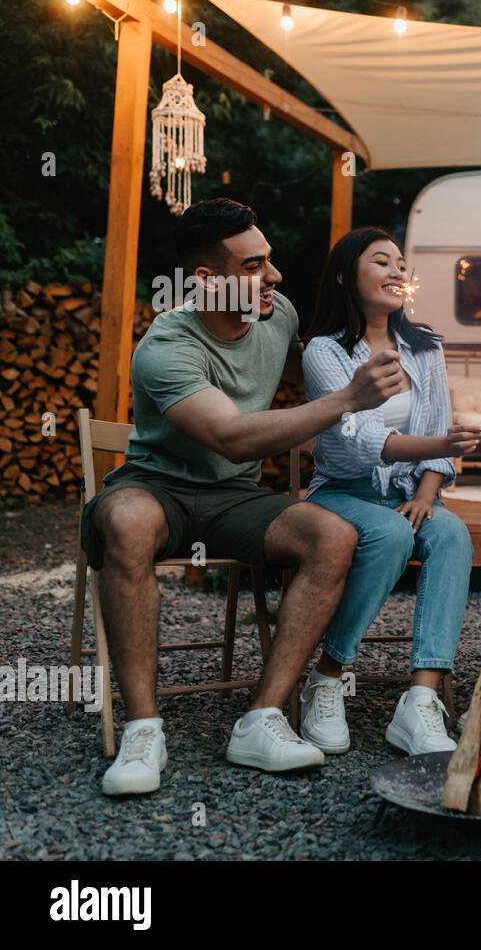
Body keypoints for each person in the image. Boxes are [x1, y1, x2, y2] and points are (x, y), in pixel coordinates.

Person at [82, 198, 402, 796]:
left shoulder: (277, 315)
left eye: (270, 262)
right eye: (254, 266)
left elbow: (330, 356)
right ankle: (143, 728)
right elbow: (230, 438)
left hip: (236, 497)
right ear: (206, 280)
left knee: (333, 534)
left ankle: (263, 716)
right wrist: (347, 402)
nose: (274, 278)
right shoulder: (165, 348)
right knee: (124, 521)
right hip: (160, 488)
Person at [298, 228, 481, 756]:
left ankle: (420, 703)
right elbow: (354, 441)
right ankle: (328, 677)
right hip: (343, 491)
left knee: (450, 535)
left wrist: (429, 491)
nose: (397, 271)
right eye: (382, 262)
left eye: (401, 263)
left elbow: (439, 427)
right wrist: (437, 443)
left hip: (410, 491)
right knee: (388, 534)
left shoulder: (424, 348)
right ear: (344, 276)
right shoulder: (325, 352)